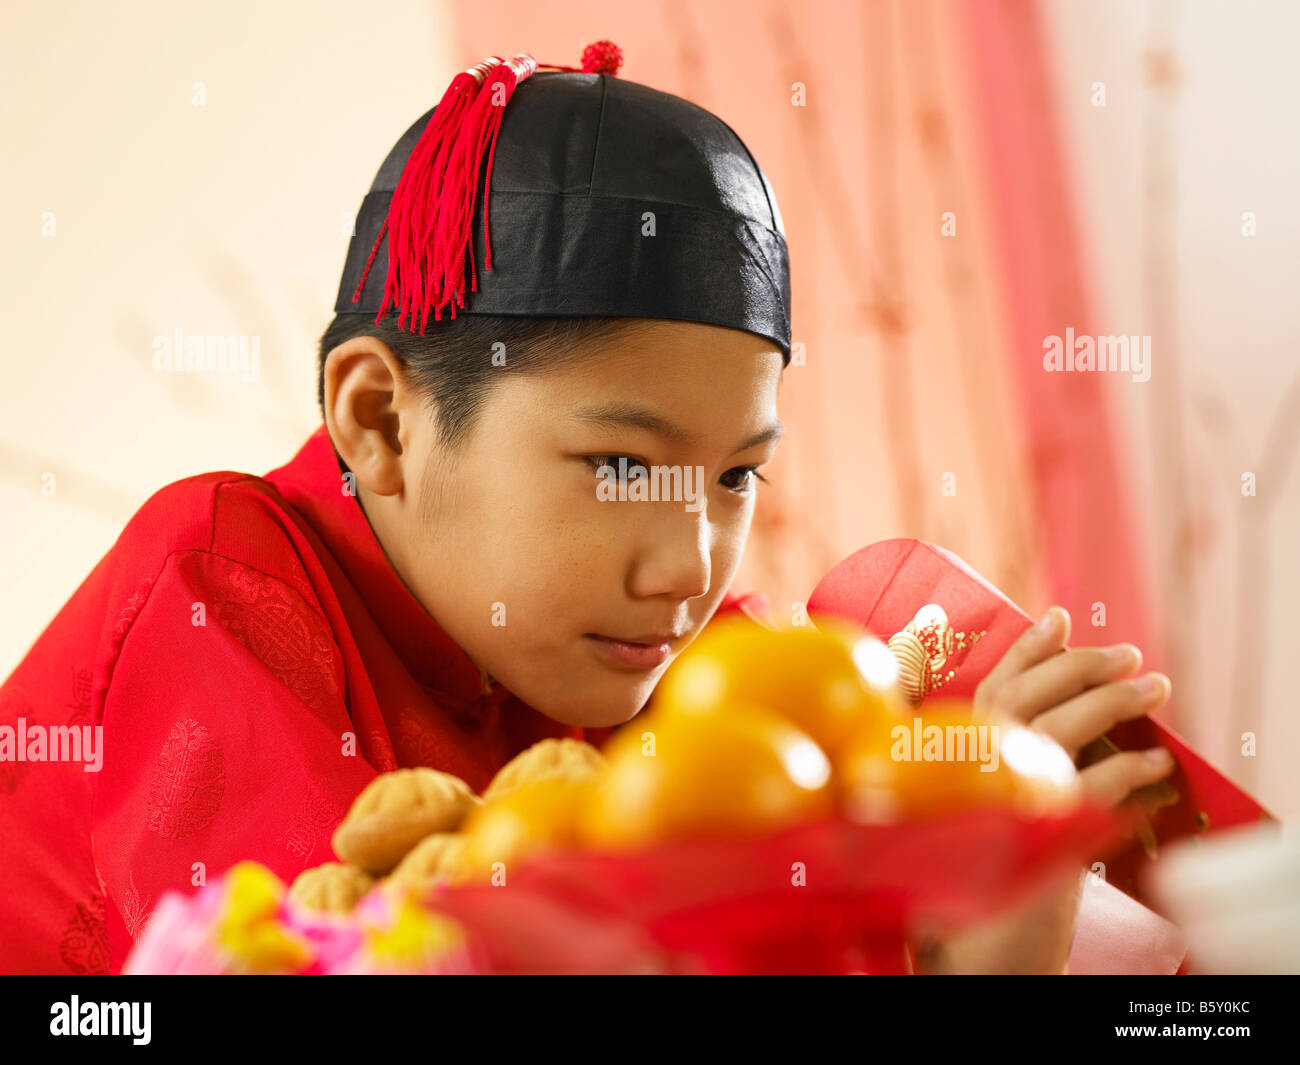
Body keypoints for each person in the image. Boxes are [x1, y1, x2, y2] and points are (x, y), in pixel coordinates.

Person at [0, 41, 1174, 975]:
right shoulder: (217, 587)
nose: (686, 566)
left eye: (735, 477)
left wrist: (966, 799)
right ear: (379, 422)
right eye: (621, 467)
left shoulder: (688, 672)